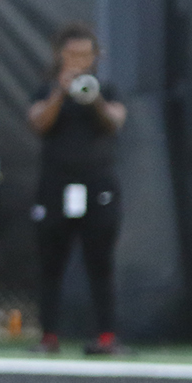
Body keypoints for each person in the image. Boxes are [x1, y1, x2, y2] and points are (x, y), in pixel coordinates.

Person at [27, 22, 127, 355]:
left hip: (97, 186)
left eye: (85, 56)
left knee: (100, 262)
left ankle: (106, 336)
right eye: (72, 55)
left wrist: (93, 96)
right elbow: (39, 123)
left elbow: (114, 122)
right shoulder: (44, 89)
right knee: (50, 262)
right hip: (56, 185)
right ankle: (49, 335)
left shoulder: (107, 89)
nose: (79, 62)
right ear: (60, 56)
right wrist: (60, 91)